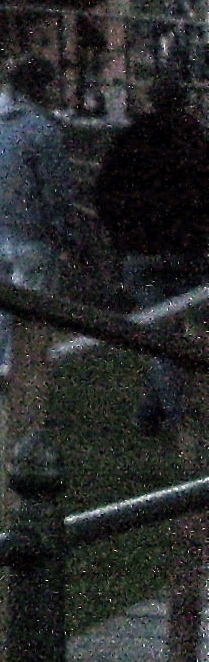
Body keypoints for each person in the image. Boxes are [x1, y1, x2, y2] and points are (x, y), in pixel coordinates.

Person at [94, 71, 209, 435]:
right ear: (184, 103)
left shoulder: (130, 141)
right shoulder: (196, 140)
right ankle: (178, 417)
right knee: (180, 335)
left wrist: (120, 239)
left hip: (142, 254)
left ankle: (155, 412)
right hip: (188, 252)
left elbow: (105, 194)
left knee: (162, 335)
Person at [0, 55, 83, 420]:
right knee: (31, 317)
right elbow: (56, 191)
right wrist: (68, 235)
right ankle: (18, 391)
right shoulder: (41, 130)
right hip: (33, 236)